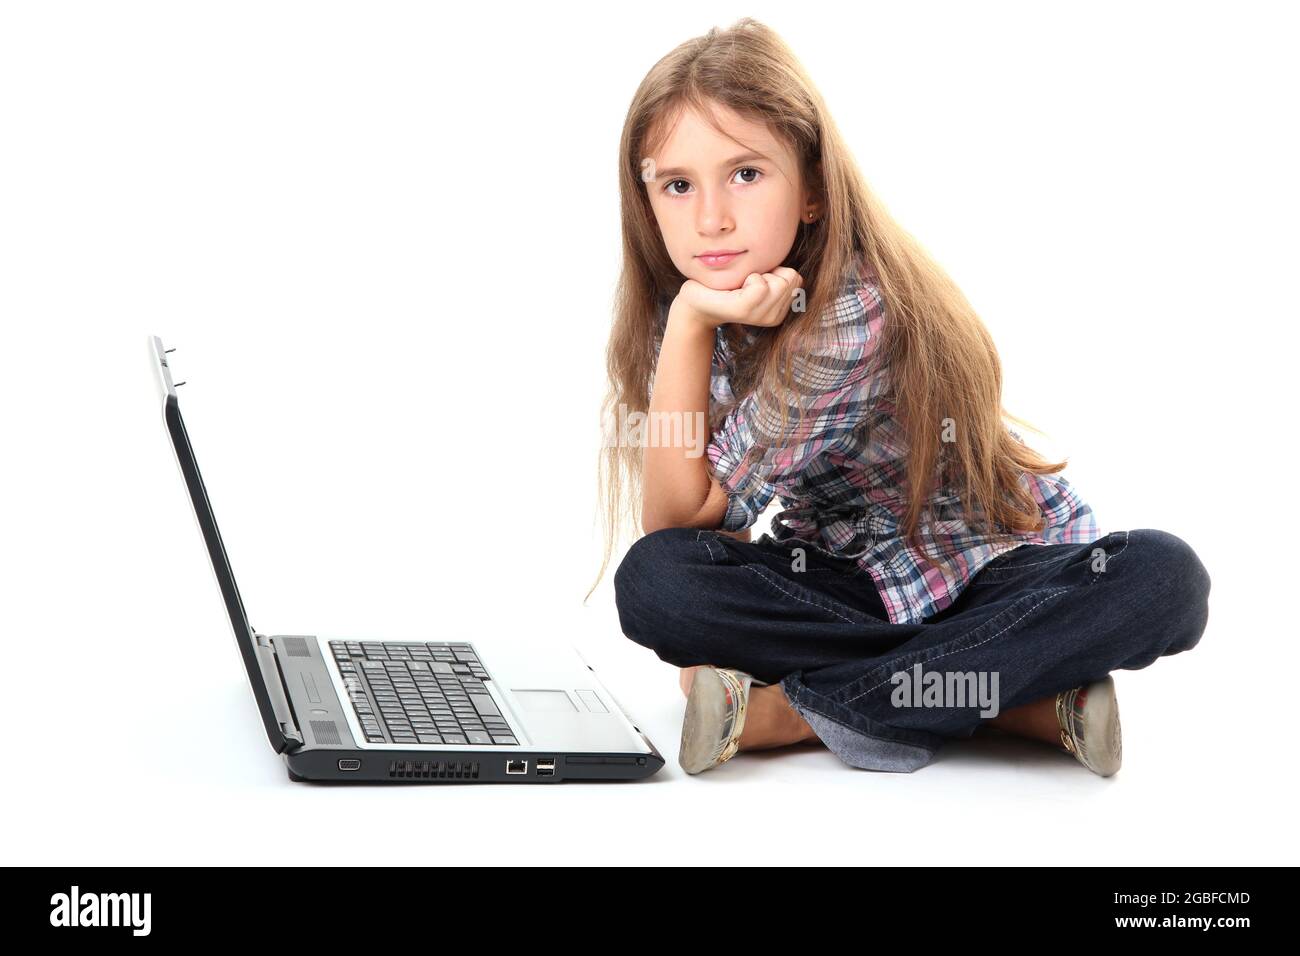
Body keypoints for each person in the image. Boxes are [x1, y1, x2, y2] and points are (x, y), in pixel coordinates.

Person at [588, 18, 1211, 776]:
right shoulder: (692, 308)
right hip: (846, 580)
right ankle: (1011, 701)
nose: (711, 216)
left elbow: (691, 510)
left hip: (983, 573)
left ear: (813, 189)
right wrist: (687, 321)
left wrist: (734, 664)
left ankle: (800, 714)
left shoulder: (852, 310)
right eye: (678, 185)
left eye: (746, 174)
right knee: (656, 583)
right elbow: (680, 532)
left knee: (1163, 579)